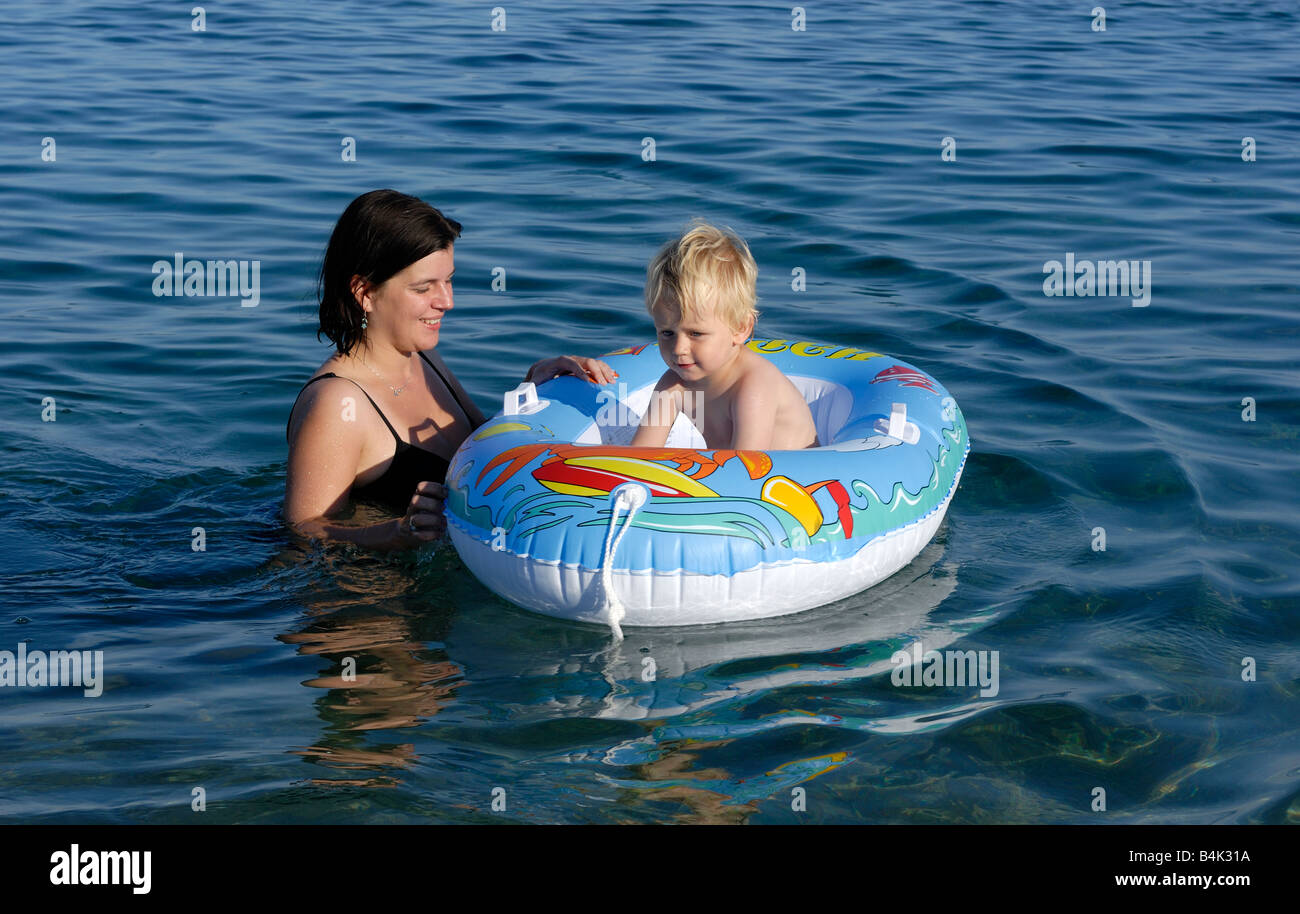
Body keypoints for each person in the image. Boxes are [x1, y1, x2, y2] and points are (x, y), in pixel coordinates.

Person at [285, 189, 614, 550]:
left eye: (449, 280)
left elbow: (479, 445)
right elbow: (302, 530)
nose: (447, 301)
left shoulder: (423, 359)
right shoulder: (338, 403)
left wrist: (533, 387)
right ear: (365, 292)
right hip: (376, 597)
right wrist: (396, 533)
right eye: (424, 287)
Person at [630, 221, 818, 451]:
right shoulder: (673, 385)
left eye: (696, 333)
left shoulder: (753, 385)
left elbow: (744, 468)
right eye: (667, 332)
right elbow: (639, 455)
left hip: (792, 479)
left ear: (740, 328)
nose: (679, 348)